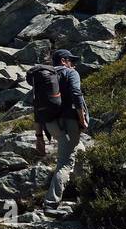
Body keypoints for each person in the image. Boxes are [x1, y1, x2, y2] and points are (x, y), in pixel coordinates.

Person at [35, 48, 89, 213]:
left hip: (51, 125)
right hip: (69, 122)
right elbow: (76, 94)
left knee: (80, 153)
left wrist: (39, 137)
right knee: (65, 162)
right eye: (71, 61)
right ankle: (50, 204)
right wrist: (82, 119)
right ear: (64, 61)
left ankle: (86, 195)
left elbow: (37, 108)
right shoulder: (70, 73)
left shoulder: (44, 78)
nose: (73, 64)